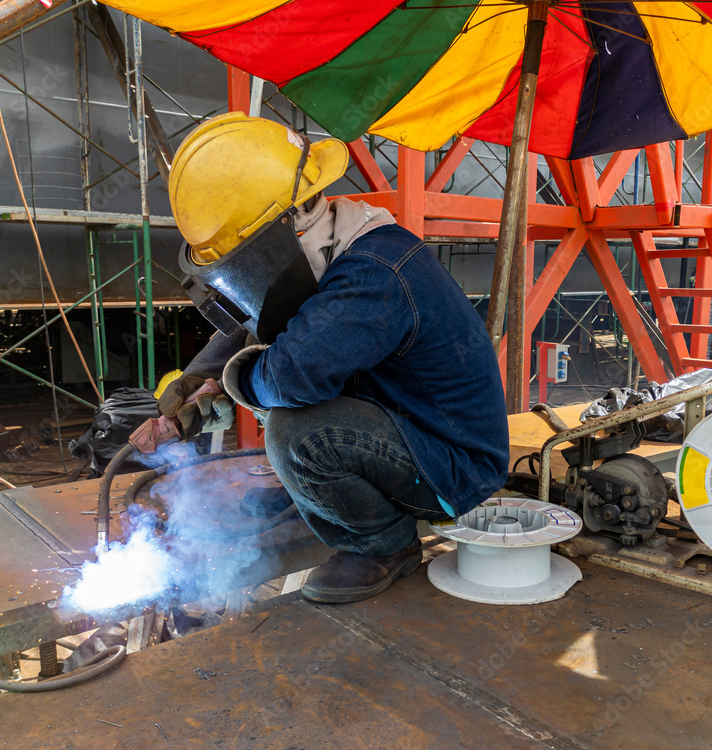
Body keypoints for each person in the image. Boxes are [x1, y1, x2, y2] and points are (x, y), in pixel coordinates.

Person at [158, 113, 509, 603]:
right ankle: (325, 493)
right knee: (291, 414)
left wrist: (229, 381)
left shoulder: (373, 273)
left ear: (281, 228)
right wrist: (203, 372)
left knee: (298, 433)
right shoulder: (331, 245)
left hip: (454, 468)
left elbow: (292, 373)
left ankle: (381, 545)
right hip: (409, 429)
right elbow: (265, 318)